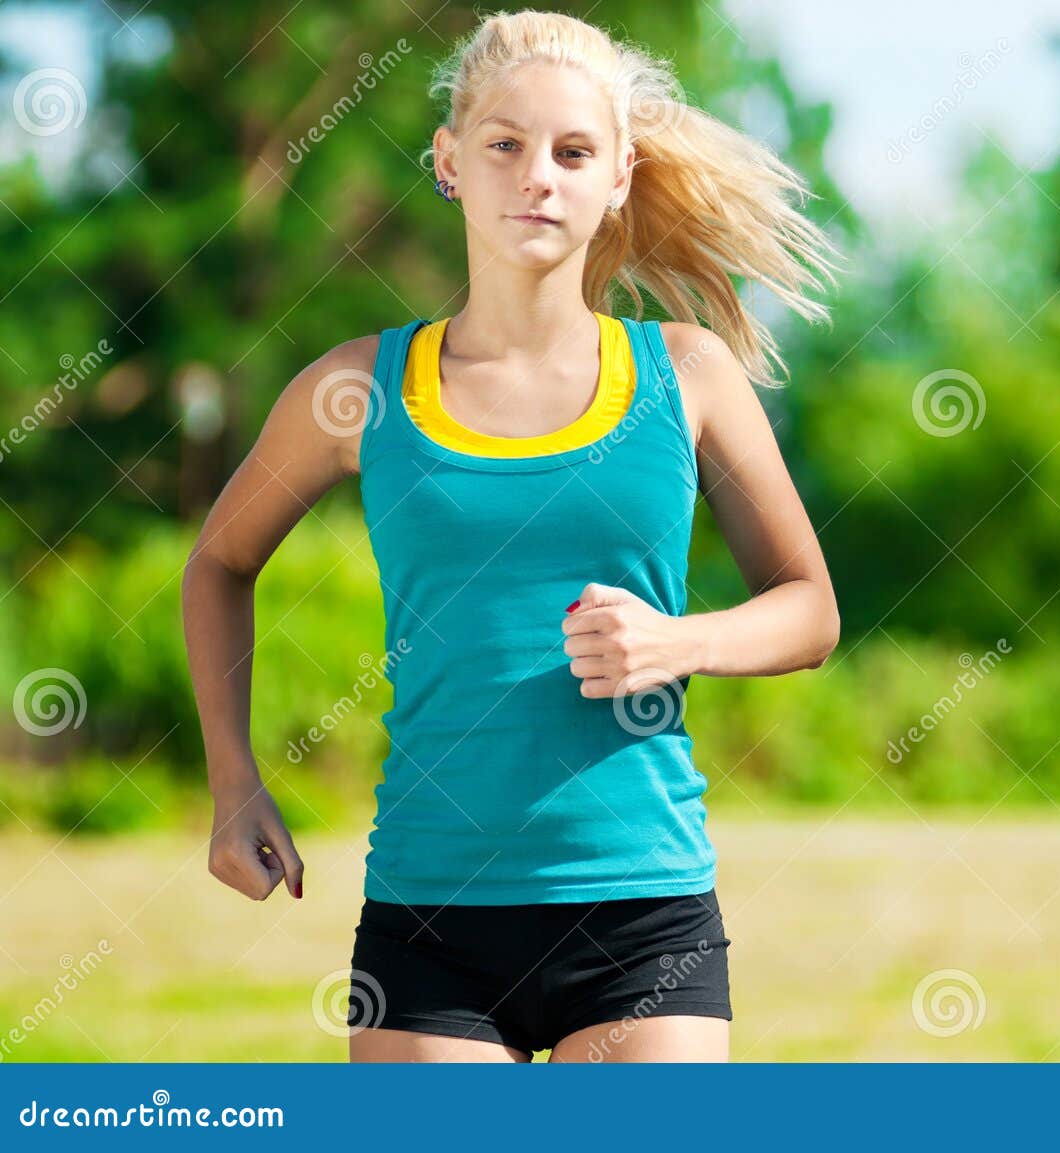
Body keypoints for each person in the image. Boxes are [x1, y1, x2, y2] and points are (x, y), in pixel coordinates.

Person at [181, 8, 841, 1063]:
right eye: (504, 145)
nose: (538, 175)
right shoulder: (357, 390)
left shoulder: (688, 375)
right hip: (431, 914)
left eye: (573, 151)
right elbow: (219, 561)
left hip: (643, 911)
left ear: (618, 176)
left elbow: (810, 610)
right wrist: (233, 782)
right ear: (449, 163)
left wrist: (679, 642)